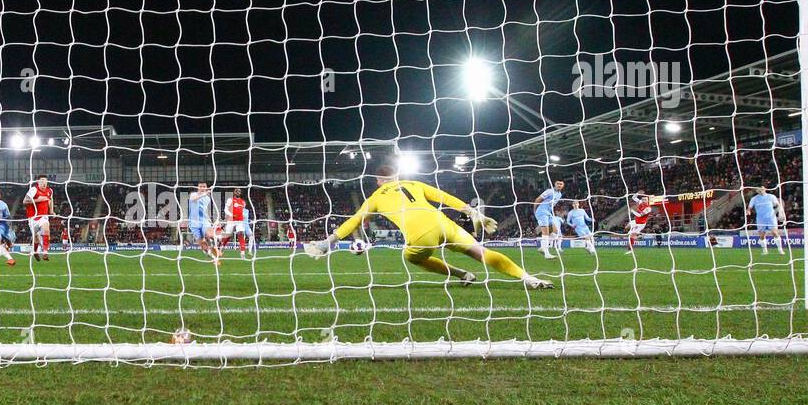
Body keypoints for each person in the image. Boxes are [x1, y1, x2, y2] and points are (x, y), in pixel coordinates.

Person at [305, 164, 552, 289]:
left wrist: (329, 242)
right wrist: (471, 211)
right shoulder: (413, 183)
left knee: (409, 256)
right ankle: (528, 278)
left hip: (421, 236)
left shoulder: (376, 197)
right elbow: (444, 197)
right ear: (396, 176)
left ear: (379, 180)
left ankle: (461, 275)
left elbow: (354, 220)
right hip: (444, 224)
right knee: (482, 254)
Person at [187, 182, 223, 264]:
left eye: (204, 186)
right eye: (201, 186)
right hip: (194, 223)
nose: (202, 188)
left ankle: (215, 247)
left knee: (210, 235)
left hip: (204, 221)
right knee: (203, 245)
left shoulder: (207, 198)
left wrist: (210, 220)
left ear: (206, 187)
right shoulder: (193, 194)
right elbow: (193, 199)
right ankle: (215, 259)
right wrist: (204, 194)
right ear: (198, 187)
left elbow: (204, 211)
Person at [748, 186, 786, 256]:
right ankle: (765, 250)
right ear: (757, 191)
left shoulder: (771, 196)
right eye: (758, 189)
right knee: (762, 235)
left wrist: (780, 213)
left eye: (761, 188)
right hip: (760, 219)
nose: (760, 190)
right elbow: (749, 207)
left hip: (771, 218)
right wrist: (748, 211)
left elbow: (778, 205)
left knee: (774, 233)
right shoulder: (754, 199)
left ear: (764, 189)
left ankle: (780, 250)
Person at [23, 174, 53, 262]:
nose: (44, 183)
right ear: (38, 182)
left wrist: (51, 211)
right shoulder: (34, 189)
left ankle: (45, 252)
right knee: (36, 239)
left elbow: (50, 199)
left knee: (46, 229)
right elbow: (25, 201)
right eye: (42, 181)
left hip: (43, 216)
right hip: (32, 218)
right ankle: (35, 252)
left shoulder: (50, 190)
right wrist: (39, 199)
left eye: (45, 181)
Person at [533, 180, 565, 259]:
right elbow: (537, 200)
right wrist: (535, 211)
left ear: (563, 185)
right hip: (541, 212)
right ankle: (546, 253)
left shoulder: (559, 194)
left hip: (548, 213)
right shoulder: (549, 191)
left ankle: (542, 247)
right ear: (555, 184)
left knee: (555, 232)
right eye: (557, 183)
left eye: (561, 184)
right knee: (546, 232)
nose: (559, 185)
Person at [223, 188, 252, 256]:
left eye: (239, 191)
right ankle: (222, 247)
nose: (238, 192)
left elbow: (241, 211)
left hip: (239, 221)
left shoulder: (242, 202)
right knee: (227, 236)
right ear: (234, 192)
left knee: (240, 234)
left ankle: (242, 252)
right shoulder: (230, 200)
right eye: (236, 191)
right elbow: (225, 209)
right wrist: (231, 215)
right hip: (231, 221)